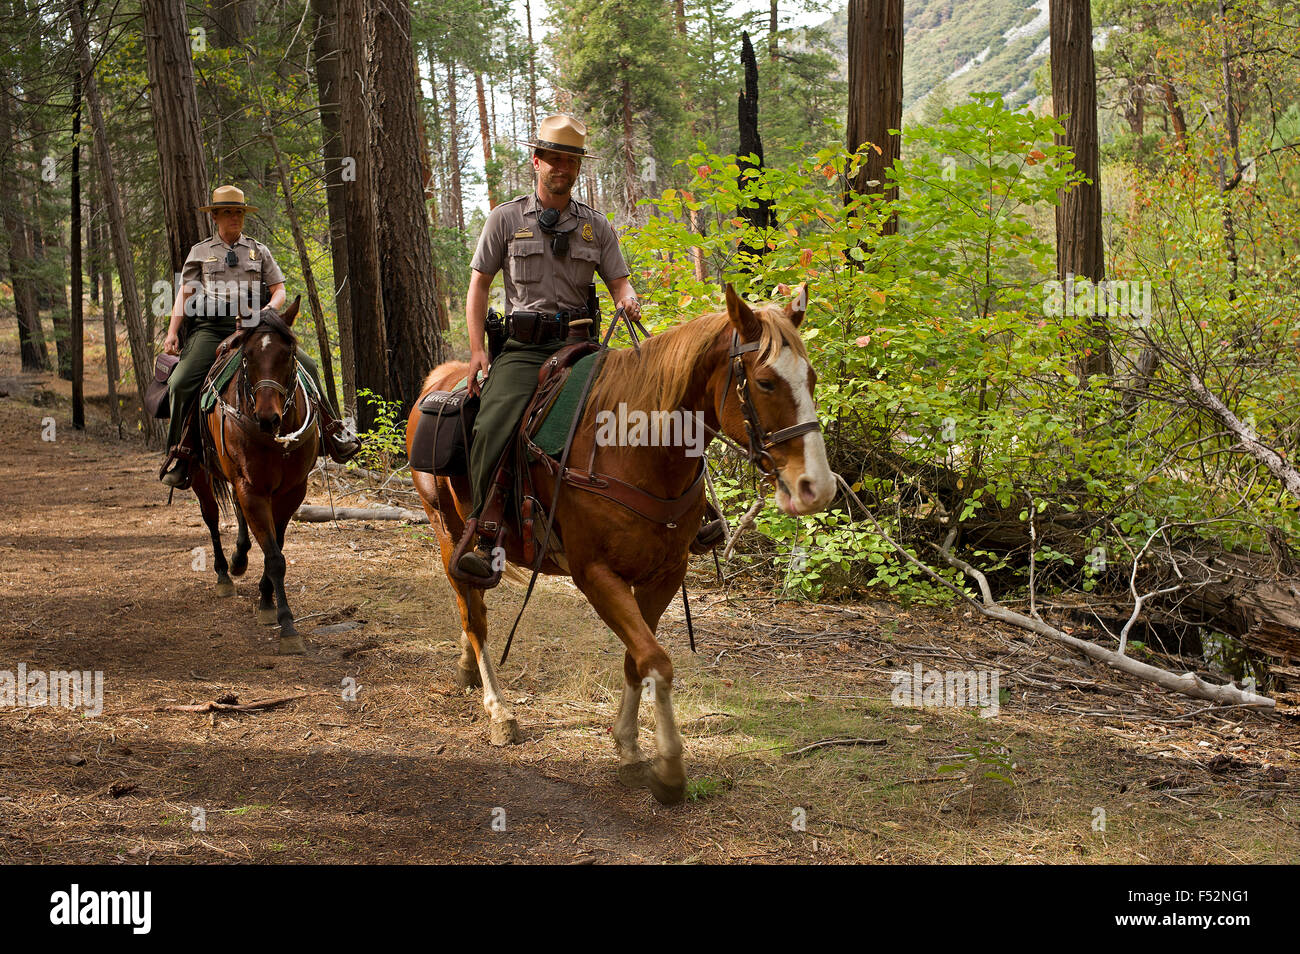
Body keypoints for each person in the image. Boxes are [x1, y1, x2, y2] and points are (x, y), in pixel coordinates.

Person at [455, 115, 641, 579]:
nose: (561, 167)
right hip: (525, 349)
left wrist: (628, 298)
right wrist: (477, 350)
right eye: (553, 158)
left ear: (578, 168)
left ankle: (676, 513)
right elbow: (478, 287)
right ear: (536, 161)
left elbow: (620, 283)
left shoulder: (596, 227)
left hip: (583, 347)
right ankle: (486, 531)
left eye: (570, 160)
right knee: (492, 423)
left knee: (645, 403)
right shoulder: (505, 219)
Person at [159, 185, 360, 489]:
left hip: (255, 325)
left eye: (239, 212)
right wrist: (173, 331)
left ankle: (333, 432)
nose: (234, 218)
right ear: (215, 216)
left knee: (308, 366)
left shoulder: (258, 250)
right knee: (180, 382)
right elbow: (184, 293)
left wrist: (268, 310)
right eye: (228, 212)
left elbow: (279, 288)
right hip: (211, 328)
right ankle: (181, 454)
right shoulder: (200, 252)